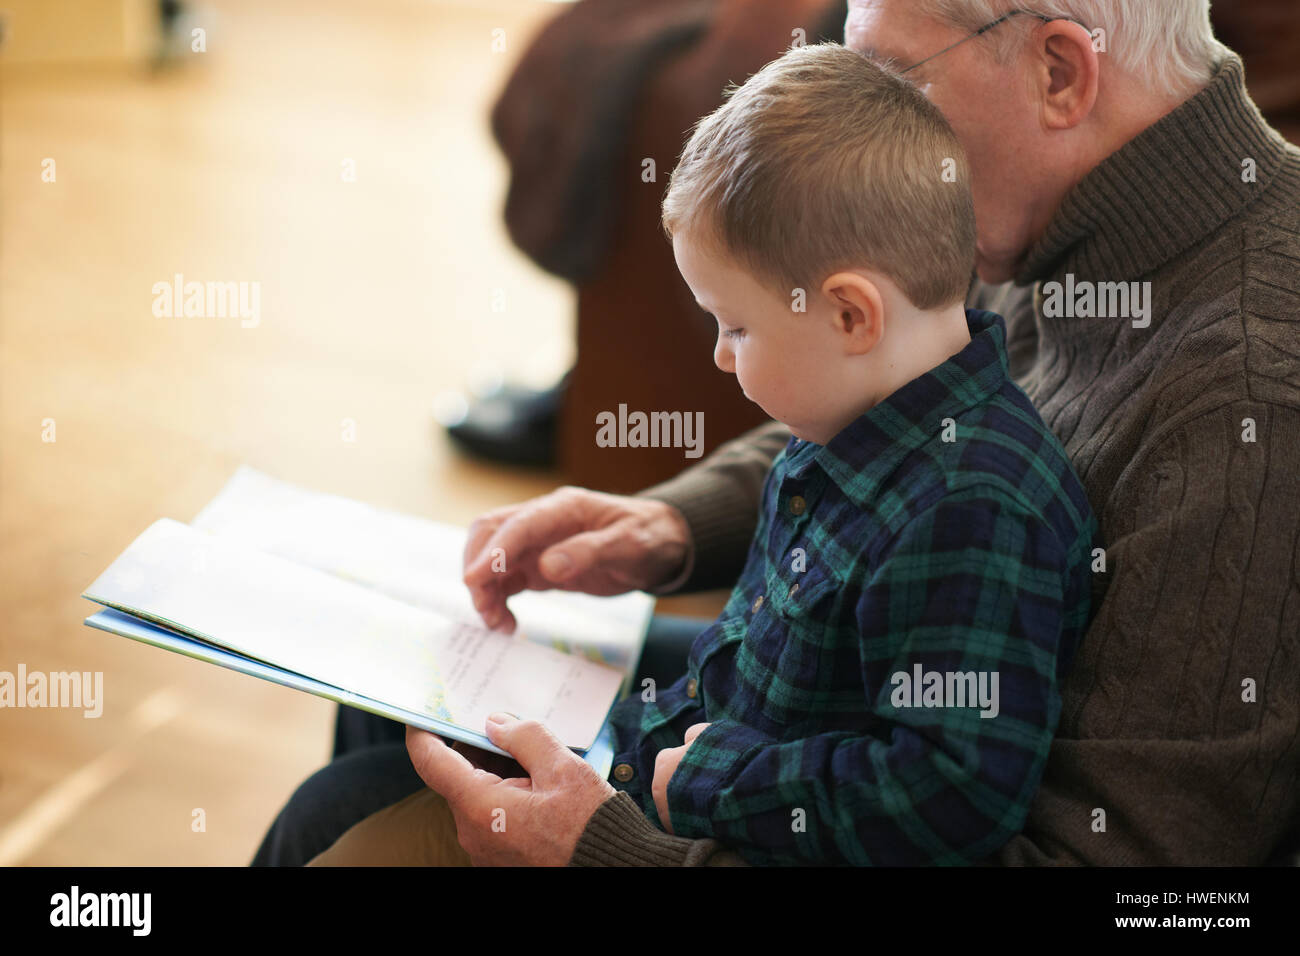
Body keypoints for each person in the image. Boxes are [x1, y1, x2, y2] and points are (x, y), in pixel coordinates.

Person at [258, 0, 1300, 867]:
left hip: (851, 771)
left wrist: (621, 854)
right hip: (818, 703)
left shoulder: (1241, 406)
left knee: (337, 813)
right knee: (406, 688)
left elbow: (1098, 869)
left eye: (891, 84)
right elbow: (896, 427)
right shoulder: (1059, 217)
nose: (869, 131)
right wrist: (663, 527)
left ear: (1061, 73)